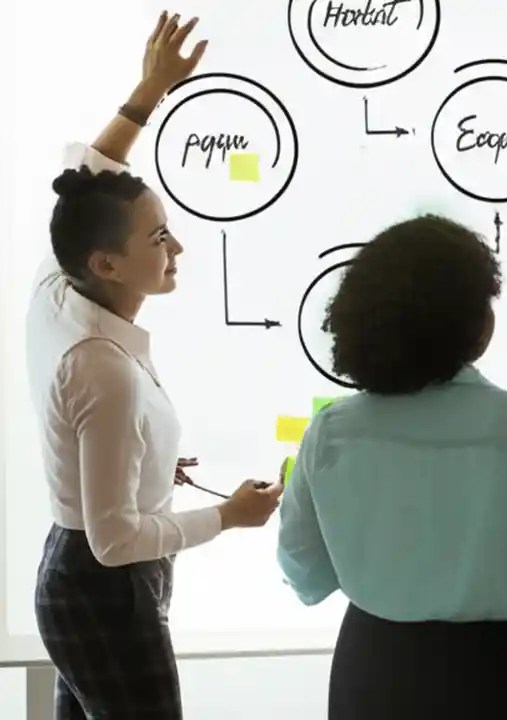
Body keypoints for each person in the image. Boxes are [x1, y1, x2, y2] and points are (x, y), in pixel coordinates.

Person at [26, 12, 283, 719]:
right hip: (103, 590)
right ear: (108, 263)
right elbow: (113, 543)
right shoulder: (100, 369)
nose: (179, 248)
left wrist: (149, 94)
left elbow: (90, 181)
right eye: (160, 237)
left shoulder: (60, 282)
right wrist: (228, 517)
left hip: (77, 580)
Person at [275, 214, 507, 719]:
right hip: (493, 675)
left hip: (372, 668)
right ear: (476, 326)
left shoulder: (332, 430)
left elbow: (303, 573)